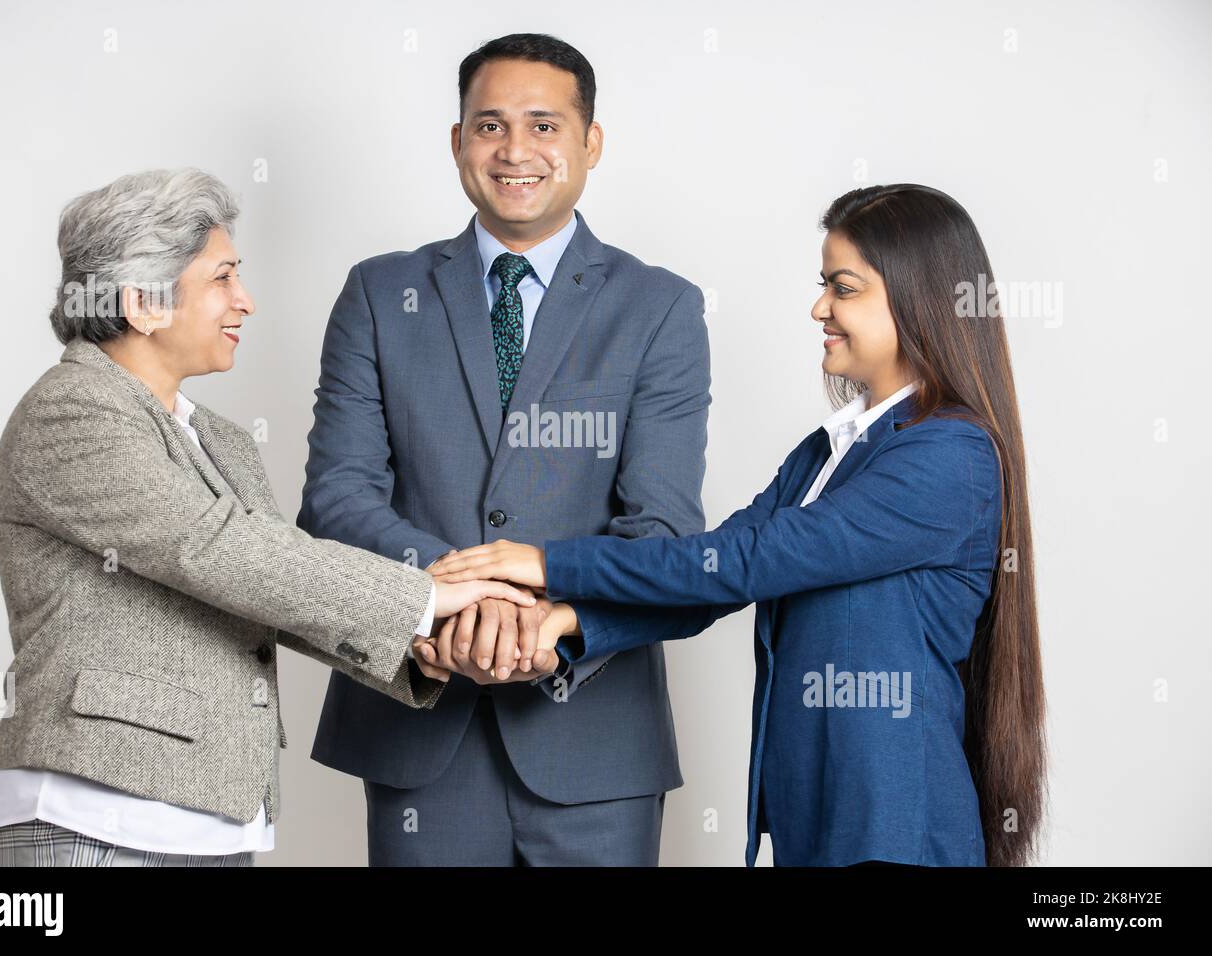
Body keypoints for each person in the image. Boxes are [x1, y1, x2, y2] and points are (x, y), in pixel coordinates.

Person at [429, 184, 1049, 867]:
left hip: (894, 831)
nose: (820, 308)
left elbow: (752, 556)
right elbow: (717, 577)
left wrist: (546, 563)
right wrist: (568, 621)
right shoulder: (825, 453)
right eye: (824, 286)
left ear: (917, 298)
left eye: (843, 289)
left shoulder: (949, 457)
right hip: (816, 821)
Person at [0, 168, 530, 867]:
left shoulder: (220, 440)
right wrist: (429, 598)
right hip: (94, 817)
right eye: (222, 278)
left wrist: (423, 646)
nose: (245, 301)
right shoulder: (70, 411)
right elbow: (220, 550)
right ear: (143, 303)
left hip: (216, 816)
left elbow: (266, 590)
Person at [304, 34, 711, 866]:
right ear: (458, 143)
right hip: (421, 719)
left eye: (544, 126)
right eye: (489, 126)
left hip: (597, 739)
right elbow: (336, 498)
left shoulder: (660, 307)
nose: (516, 150)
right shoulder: (381, 294)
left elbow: (663, 529)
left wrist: (542, 616)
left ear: (590, 144)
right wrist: (457, 597)